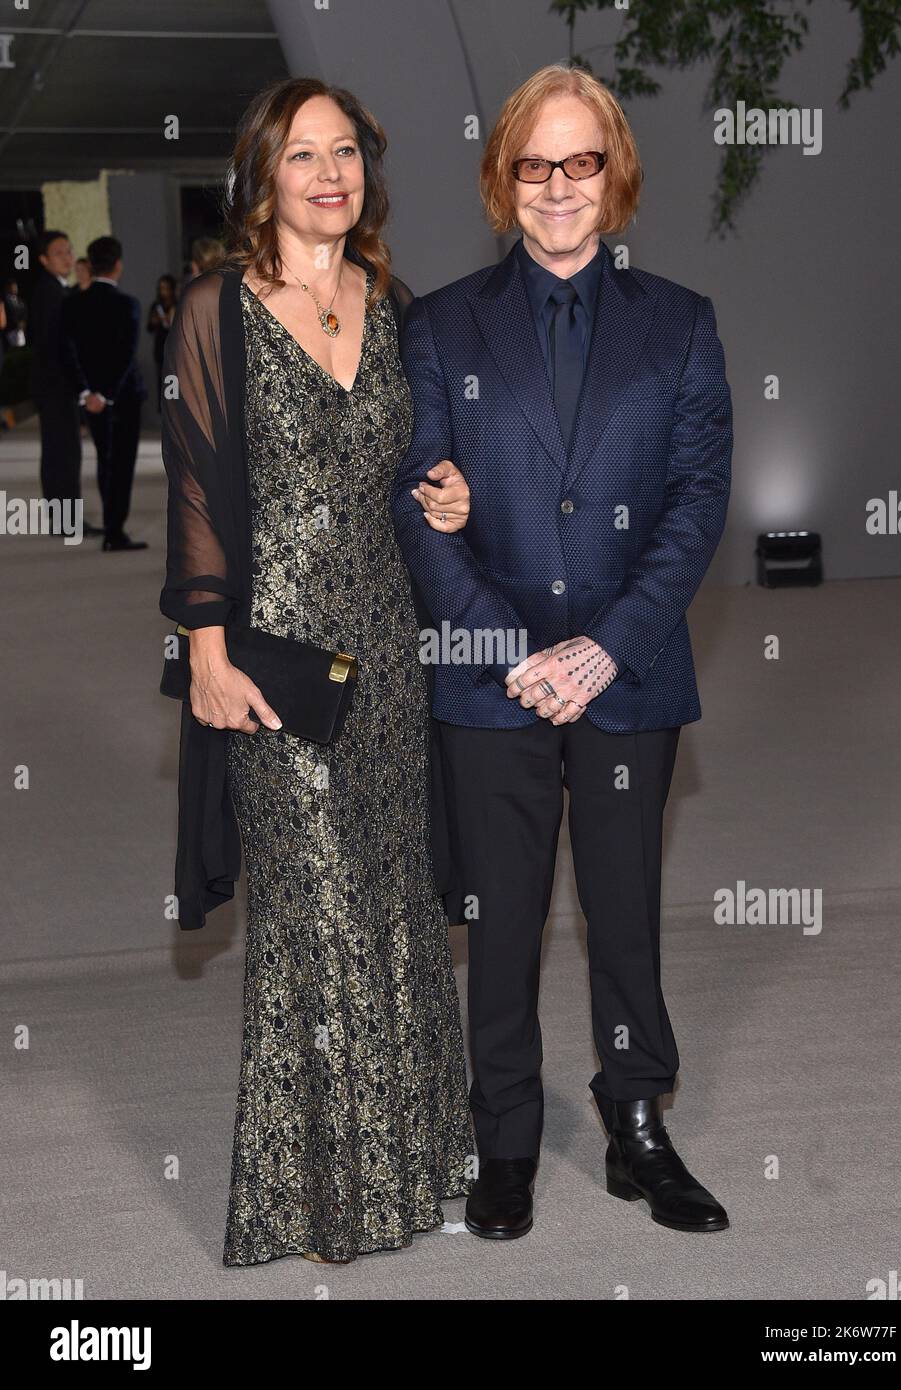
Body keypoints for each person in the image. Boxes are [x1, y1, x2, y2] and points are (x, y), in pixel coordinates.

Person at [392, 63, 733, 1240]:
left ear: (615, 174)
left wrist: (601, 649)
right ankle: (504, 1143)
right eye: (532, 164)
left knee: (626, 913)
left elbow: (695, 507)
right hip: (491, 686)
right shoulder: (436, 326)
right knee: (502, 919)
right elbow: (418, 503)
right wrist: (513, 655)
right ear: (504, 179)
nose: (555, 188)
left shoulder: (681, 324)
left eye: (578, 162)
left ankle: (638, 1126)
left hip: (629, 677)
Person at [158, 77, 475, 1266]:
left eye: (346, 152)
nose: (330, 173)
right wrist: (203, 650)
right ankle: (326, 1194)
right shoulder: (213, 311)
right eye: (304, 155)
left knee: (394, 899)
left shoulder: (395, 309)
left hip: (387, 652)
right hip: (277, 661)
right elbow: (194, 487)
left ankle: (418, 1161)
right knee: (314, 908)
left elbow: (411, 468)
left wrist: (443, 496)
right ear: (264, 176)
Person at [61, 235, 148, 551]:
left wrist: (87, 393)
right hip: (123, 398)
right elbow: (126, 354)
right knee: (122, 463)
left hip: (92, 399)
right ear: (118, 266)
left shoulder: (71, 305)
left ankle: (113, 528)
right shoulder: (127, 305)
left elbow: (66, 352)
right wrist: (108, 394)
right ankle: (115, 530)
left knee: (104, 458)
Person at [27, 232, 99, 532]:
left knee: (59, 451)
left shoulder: (54, 290)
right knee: (64, 454)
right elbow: (58, 345)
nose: (68, 258)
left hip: (52, 385)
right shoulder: (51, 293)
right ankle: (67, 521)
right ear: (44, 259)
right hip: (57, 386)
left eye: (69, 251)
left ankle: (61, 520)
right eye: (59, 253)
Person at [145, 274, 177, 410]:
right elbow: (149, 327)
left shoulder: (178, 303)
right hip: (160, 350)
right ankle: (165, 411)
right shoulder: (156, 306)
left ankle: (175, 411)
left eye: (166, 288)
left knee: (175, 381)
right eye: (161, 288)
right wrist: (155, 321)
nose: (163, 291)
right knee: (162, 382)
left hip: (176, 351)